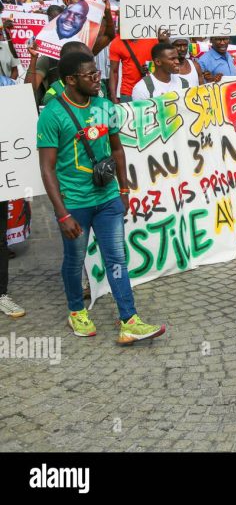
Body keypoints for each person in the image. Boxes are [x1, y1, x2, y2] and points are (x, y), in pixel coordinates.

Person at [36, 52, 166, 344]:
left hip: (107, 198)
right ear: (71, 80)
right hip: (74, 203)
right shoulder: (52, 114)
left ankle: (129, 320)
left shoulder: (105, 106)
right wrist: (62, 214)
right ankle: (76, 311)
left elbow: (117, 149)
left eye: (97, 73)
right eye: (90, 75)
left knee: (117, 258)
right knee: (74, 259)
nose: (98, 79)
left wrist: (123, 189)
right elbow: (46, 169)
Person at [109, 33, 159, 103]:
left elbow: (162, 59)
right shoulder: (116, 42)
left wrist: (165, 40)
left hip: (152, 89)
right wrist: (113, 97)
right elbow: (114, 71)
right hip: (128, 92)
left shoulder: (151, 37)